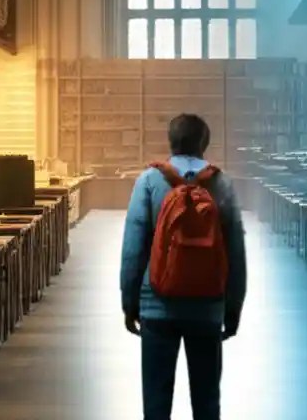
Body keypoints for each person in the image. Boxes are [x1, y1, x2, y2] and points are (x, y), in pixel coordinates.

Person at [120, 113, 248, 420]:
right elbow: (236, 253)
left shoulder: (149, 181)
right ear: (205, 144)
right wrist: (233, 309)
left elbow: (133, 249)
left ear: (171, 142)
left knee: (156, 401)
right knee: (206, 401)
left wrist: (129, 303)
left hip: (157, 306)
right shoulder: (221, 183)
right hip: (207, 308)